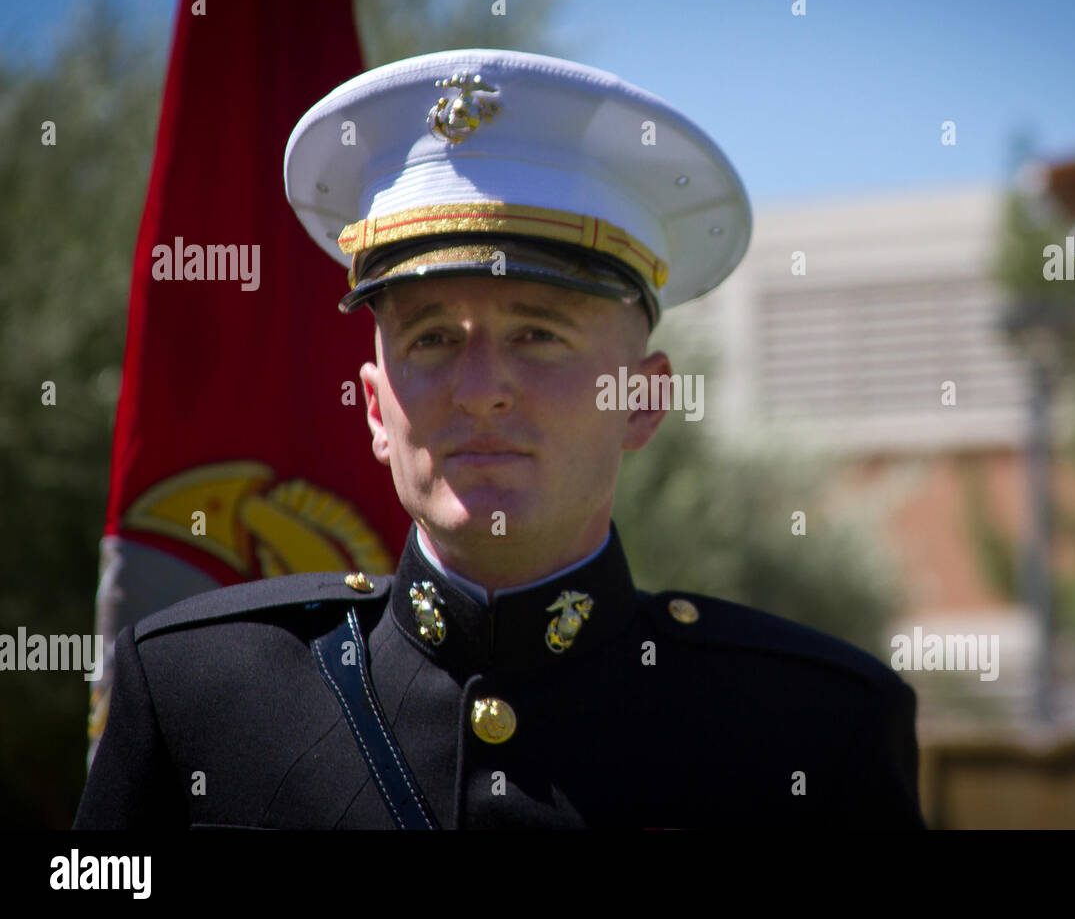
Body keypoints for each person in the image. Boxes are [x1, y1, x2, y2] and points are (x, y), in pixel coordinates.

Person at [74, 49, 925, 829]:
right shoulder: (197, 694)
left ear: (644, 399)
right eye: (432, 340)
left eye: (538, 336)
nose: (479, 392)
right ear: (376, 409)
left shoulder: (814, 732)